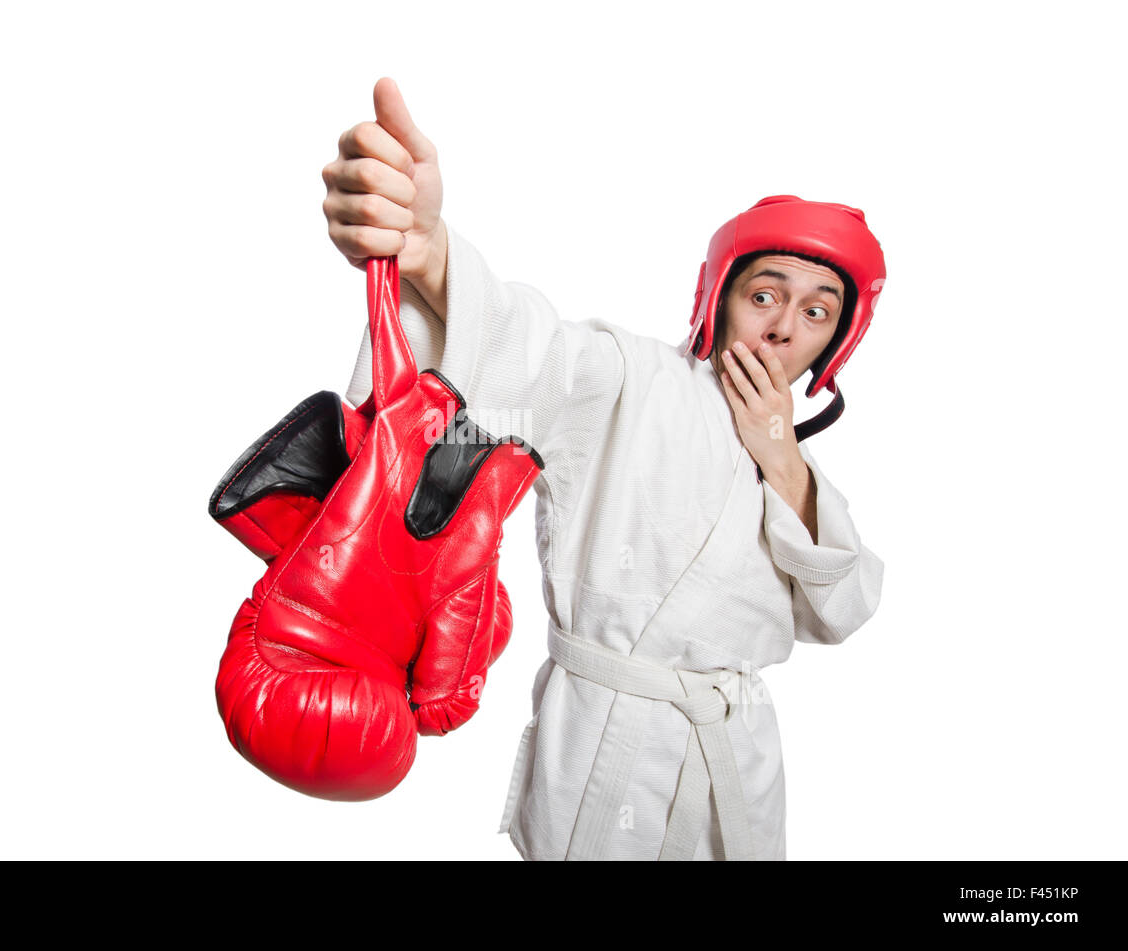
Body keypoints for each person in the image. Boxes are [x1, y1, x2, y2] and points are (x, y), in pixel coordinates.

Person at [323, 77, 885, 861]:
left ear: (835, 343)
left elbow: (845, 609)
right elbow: (532, 345)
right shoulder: (629, 379)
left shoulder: (796, 465)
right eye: (766, 293)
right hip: (609, 748)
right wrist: (431, 254)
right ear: (720, 297)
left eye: (817, 311)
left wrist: (779, 455)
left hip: (737, 760)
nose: (784, 327)